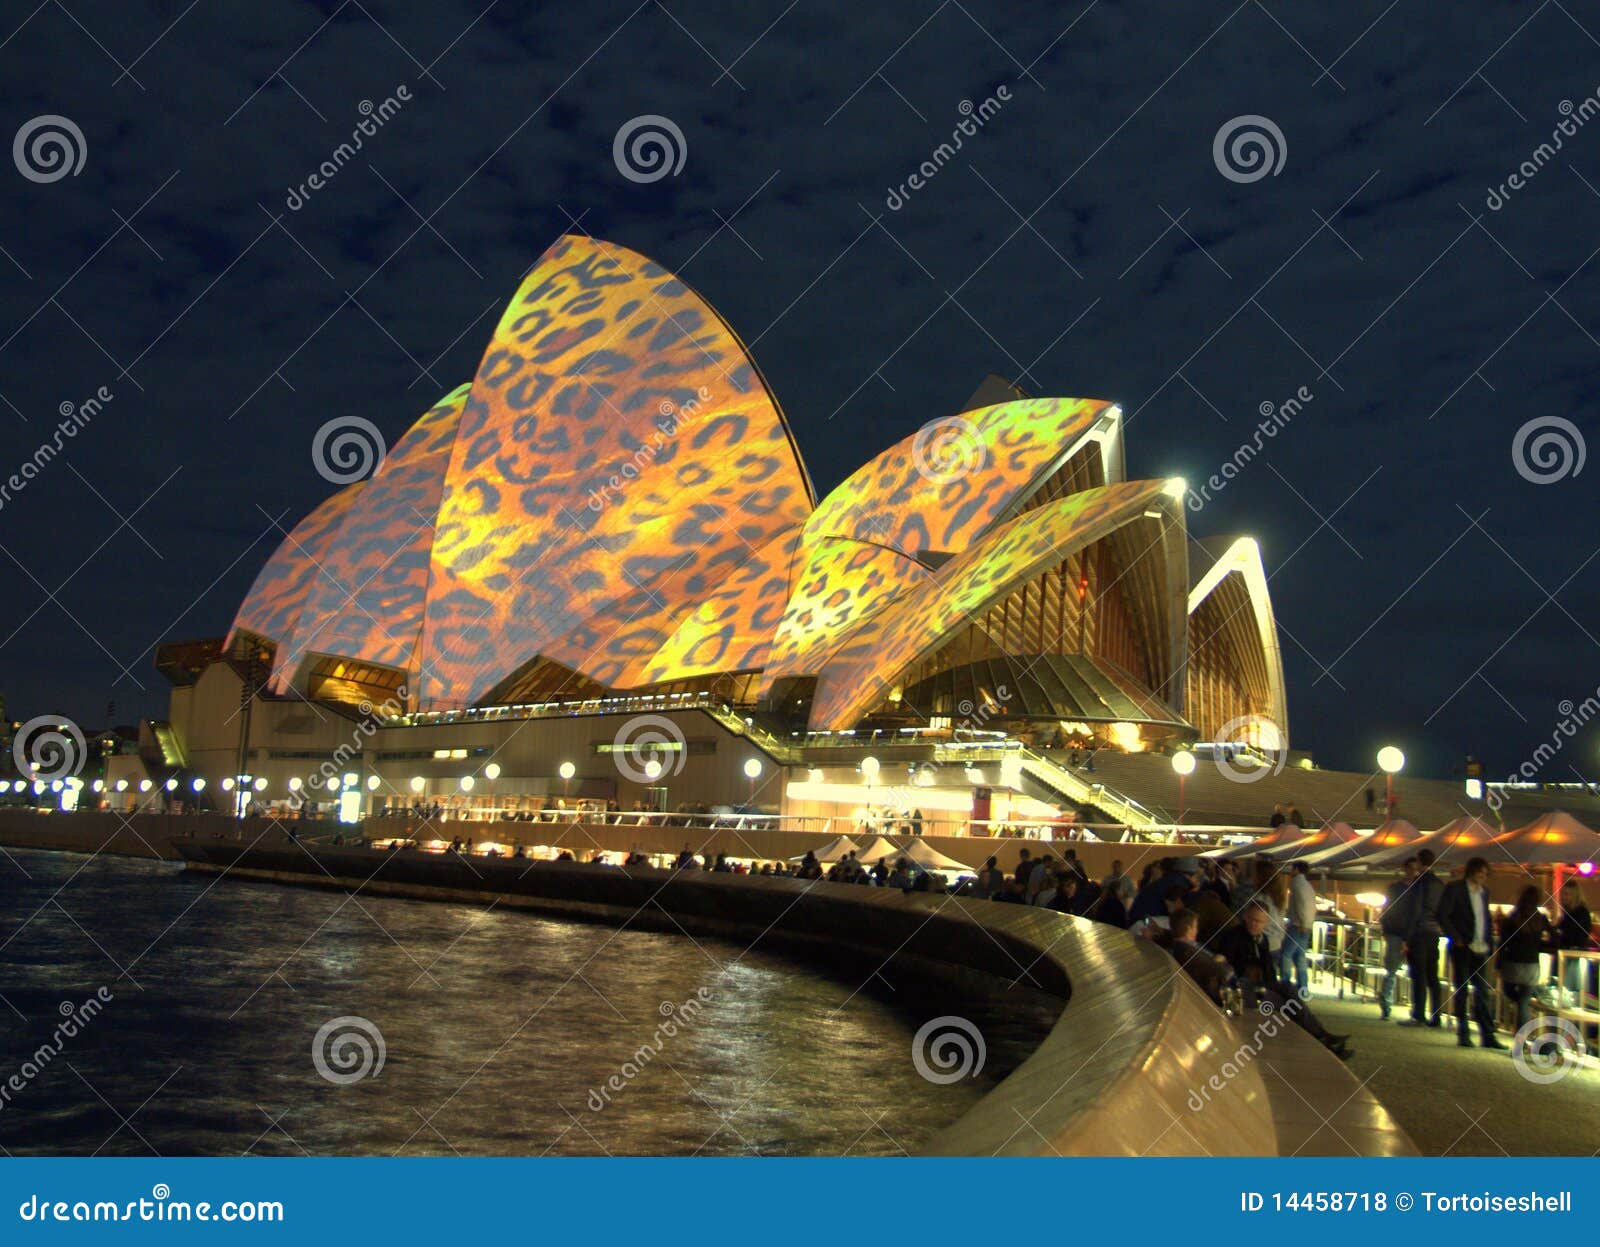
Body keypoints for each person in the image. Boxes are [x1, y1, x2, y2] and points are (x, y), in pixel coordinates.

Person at [1217, 903, 1351, 1058]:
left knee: (1289, 990)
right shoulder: (1233, 937)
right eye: (1252, 920)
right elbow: (1227, 962)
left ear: (1265, 923)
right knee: (1290, 1005)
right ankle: (1324, 1041)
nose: (1255, 924)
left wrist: (1275, 986)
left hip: (1261, 984)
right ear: (1245, 918)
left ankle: (1323, 1038)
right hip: (1245, 986)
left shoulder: (1262, 940)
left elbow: (1269, 969)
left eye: (1259, 922)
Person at [1438, 857, 1505, 1049]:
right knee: (1462, 989)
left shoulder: (1484, 892)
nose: (1483, 877)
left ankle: (1486, 1034)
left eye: (1485, 874)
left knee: (1481, 991)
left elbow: (1483, 916)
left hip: (1480, 946)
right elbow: (1443, 914)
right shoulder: (1456, 888)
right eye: (1480, 874)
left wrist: (1488, 941)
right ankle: (1464, 1033)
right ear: (1472, 872)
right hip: (1463, 946)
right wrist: (1456, 937)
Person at [1399, 849, 1445, 1028]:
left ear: (1418, 862)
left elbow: (1415, 911)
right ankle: (1436, 1015)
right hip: (1434, 933)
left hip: (1419, 932)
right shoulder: (1439, 884)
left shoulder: (1419, 883)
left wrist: (1406, 937)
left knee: (1419, 975)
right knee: (1433, 976)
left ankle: (1419, 1014)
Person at [1498, 885, 1550, 1039]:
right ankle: (1523, 1037)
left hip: (1512, 962)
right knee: (1524, 1001)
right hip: (1532, 964)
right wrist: (1541, 945)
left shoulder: (1513, 917)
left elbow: (1503, 942)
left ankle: (1522, 1033)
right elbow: (1555, 937)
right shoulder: (1540, 918)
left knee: (1510, 993)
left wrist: (1498, 964)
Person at [1377, 857, 1419, 1020]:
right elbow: (1388, 910)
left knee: (1393, 971)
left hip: (1400, 933)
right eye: (1411, 869)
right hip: (1400, 933)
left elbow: (1387, 910)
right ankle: (1387, 1005)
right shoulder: (1415, 889)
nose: (1413, 872)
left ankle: (1387, 1005)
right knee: (1393, 971)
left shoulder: (1397, 888)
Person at [1168, 910, 1227, 1006]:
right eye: (1195, 927)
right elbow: (1219, 970)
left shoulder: (1182, 947)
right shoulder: (1187, 952)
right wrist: (1218, 961)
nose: (1197, 931)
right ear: (1188, 929)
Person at [1284, 861, 1317, 994]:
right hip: (1306, 924)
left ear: (1296, 869)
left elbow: (1301, 904)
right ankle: (1303, 987)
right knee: (1300, 956)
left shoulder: (1296, 884)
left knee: (1286, 955)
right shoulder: (1308, 885)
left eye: (1292, 868)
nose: (1290, 871)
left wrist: (1302, 921)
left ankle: (1285, 984)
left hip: (1298, 924)